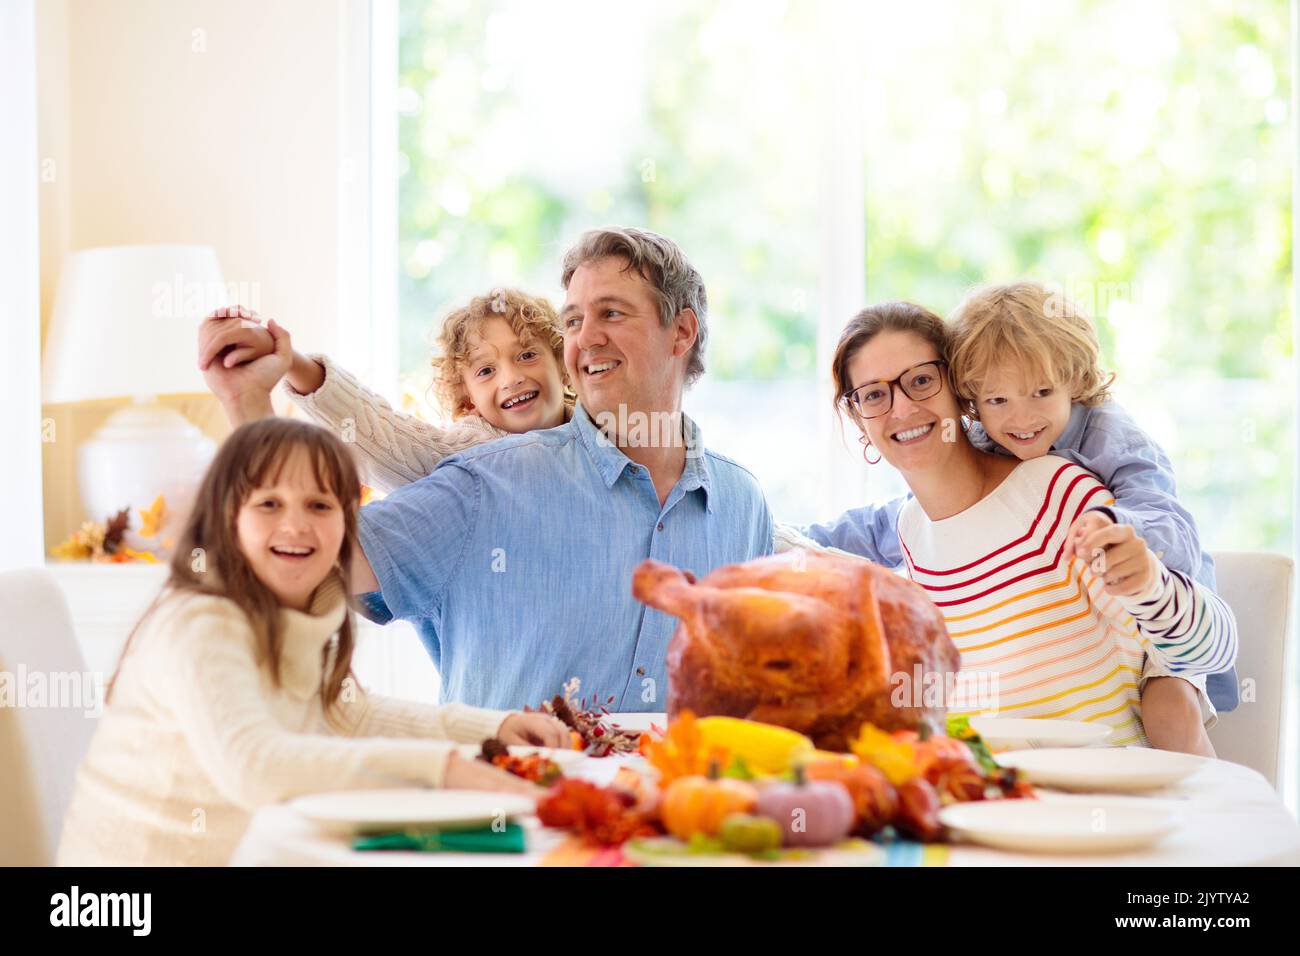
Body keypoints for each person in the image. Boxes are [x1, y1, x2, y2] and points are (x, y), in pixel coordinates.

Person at [201, 227, 773, 713]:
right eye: (573, 320)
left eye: (612, 313)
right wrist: (247, 405)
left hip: (685, 834)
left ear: (682, 332)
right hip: (513, 832)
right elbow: (301, 567)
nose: (586, 337)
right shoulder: (485, 482)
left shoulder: (742, 503)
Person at [57, 418, 567, 866]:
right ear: (226, 516)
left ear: (348, 522)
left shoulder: (299, 610)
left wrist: (492, 727)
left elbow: (352, 715)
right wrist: (442, 769)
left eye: (319, 504)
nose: (296, 525)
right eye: (270, 504)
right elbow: (254, 766)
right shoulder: (202, 621)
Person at [804, 280, 1240, 718]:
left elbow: (1165, 543)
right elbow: (862, 530)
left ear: (956, 390)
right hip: (997, 782)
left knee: (1172, 705)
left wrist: (1144, 570)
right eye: (874, 395)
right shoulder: (911, 527)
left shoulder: (1072, 484)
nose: (901, 409)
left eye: (920, 380)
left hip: (1164, 568)